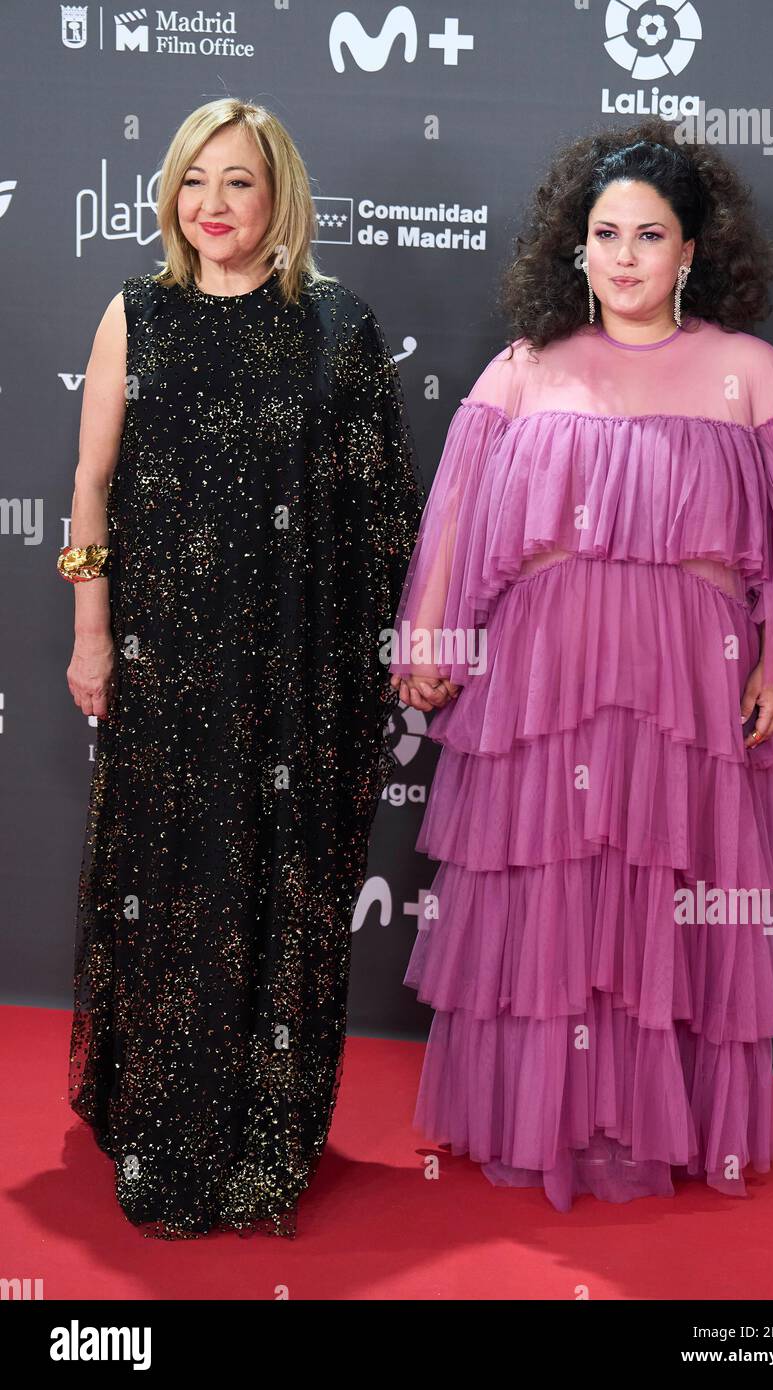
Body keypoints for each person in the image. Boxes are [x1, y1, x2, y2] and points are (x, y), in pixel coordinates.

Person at [388, 118, 773, 1212]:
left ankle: (657, 1124)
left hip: (688, 683)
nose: (626, 256)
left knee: (670, 898)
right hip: (538, 685)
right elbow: (452, 527)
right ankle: (542, 1119)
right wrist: (434, 641)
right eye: (605, 233)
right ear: (573, 248)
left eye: (651, 233)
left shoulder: (751, 375)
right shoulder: (523, 368)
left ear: (694, 250)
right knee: (546, 895)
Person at [63, 98, 422, 1238]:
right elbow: (89, 488)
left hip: (294, 672)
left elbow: (379, 517)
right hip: (165, 661)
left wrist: (391, 653)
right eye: (193, 182)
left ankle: (265, 1133)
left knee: (278, 890)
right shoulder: (135, 314)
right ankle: (164, 1121)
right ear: (169, 194)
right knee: (170, 888)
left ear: (280, 202)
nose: (211, 206)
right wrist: (89, 629)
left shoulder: (336, 326)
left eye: (238, 184)